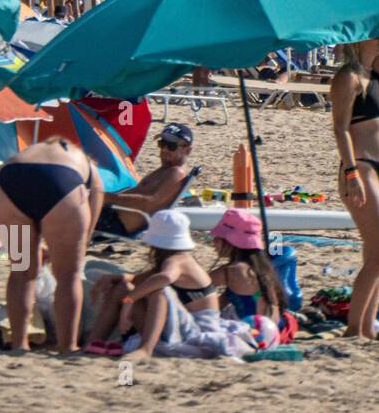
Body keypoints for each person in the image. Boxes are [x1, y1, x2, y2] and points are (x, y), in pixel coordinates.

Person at [329, 40, 379, 339]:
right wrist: (350, 171)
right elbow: (339, 128)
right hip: (362, 167)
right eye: (378, 38)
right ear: (361, 41)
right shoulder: (347, 77)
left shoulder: (377, 76)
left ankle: (367, 328)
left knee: (376, 256)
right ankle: (353, 329)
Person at [0, 137, 104, 353]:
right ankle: (67, 346)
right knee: (68, 275)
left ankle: (19, 344)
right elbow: (97, 194)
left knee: (21, 271)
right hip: (62, 180)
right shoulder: (85, 162)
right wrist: (84, 238)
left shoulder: (33, 151)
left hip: (10, 179)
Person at [113, 211, 220, 359]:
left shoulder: (177, 261)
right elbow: (142, 279)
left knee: (160, 292)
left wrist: (129, 300)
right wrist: (119, 279)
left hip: (198, 333)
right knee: (123, 287)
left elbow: (165, 278)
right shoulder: (178, 260)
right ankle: (94, 342)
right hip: (187, 327)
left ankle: (146, 348)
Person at [94, 123, 195, 238]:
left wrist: (108, 198)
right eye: (162, 143)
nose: (164, 149)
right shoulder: (167, 170)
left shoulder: (176, 173)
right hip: (113, 215)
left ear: (187, 150)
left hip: (117, 224)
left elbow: (150, 201)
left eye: (171, 146)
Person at [208, 209, 286, 321]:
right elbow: (225, 300)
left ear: (231, 241)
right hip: (270, 330)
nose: (213, 241)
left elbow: (197, 285)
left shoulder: (234, 271)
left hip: (252, 333)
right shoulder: (259, 268)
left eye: (218, 237)